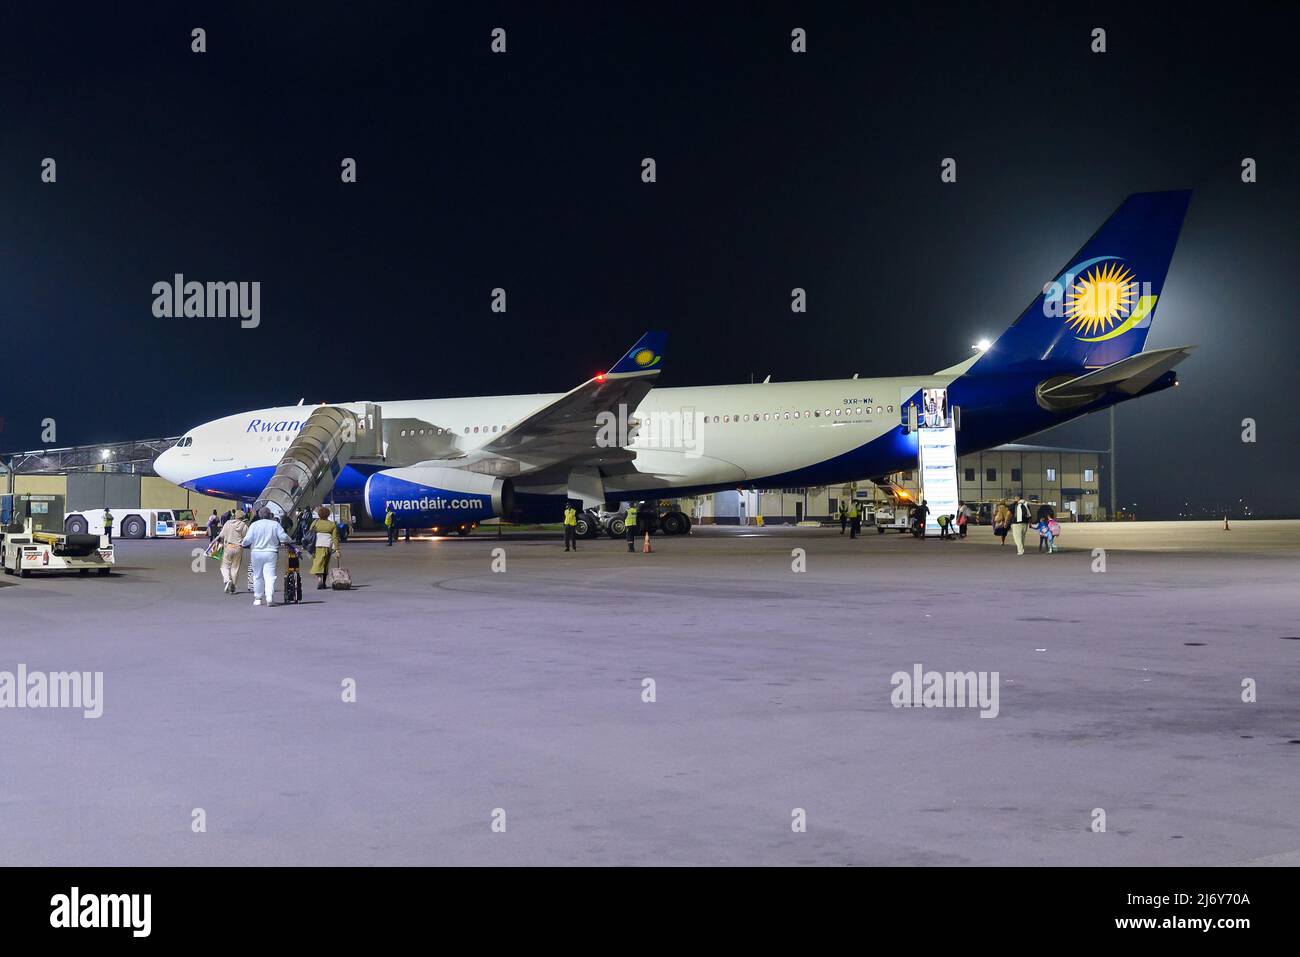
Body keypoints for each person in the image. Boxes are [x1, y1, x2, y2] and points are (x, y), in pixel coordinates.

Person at [241, 506, 293, 606]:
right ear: (270, 515)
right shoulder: (275, 524)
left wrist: (243, 543)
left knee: (257, 576)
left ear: (259, 515)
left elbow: (248, 539)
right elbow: (283, 537)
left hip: (256, 552)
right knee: (270, 576)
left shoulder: (254, 525)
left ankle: (258, 598)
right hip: (271, 552)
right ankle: (269, 597)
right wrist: (289, 540)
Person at [217, 510, 249, 595]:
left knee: (224, 566)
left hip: (228, 546)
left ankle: (227, 580)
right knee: (235, 568)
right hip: (238, 548)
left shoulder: (228, 523)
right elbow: (246, 537)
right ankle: (233, 586)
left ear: (235, 516)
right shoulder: (244, 525)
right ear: (242, 518)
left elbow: (221, 535)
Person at [308, 505, 339, 589]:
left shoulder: (315, 523)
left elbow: (310, 533)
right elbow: (335, 537)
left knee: (318, 563)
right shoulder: (332, 524)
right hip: (328, 545)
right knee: (325, 564)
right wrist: (337, 549)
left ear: (319, 514)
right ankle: (324, 583)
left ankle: (319, 579)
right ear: (328, 515)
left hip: (317, 545)